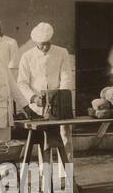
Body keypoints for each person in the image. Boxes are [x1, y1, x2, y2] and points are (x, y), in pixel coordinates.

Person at [16, 21, 77, 166]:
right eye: (42, 44)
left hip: (61, 104)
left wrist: (60, 98)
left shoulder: (61, 52)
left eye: (48, 43)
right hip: (39, 106)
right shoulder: (27, 56)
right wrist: (33, 97)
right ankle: (46, 178)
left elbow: (66, 76)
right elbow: (22, 82)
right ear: (35, 42)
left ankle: (67, 177)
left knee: (65, 137)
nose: (45, 47)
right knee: (45, 141)